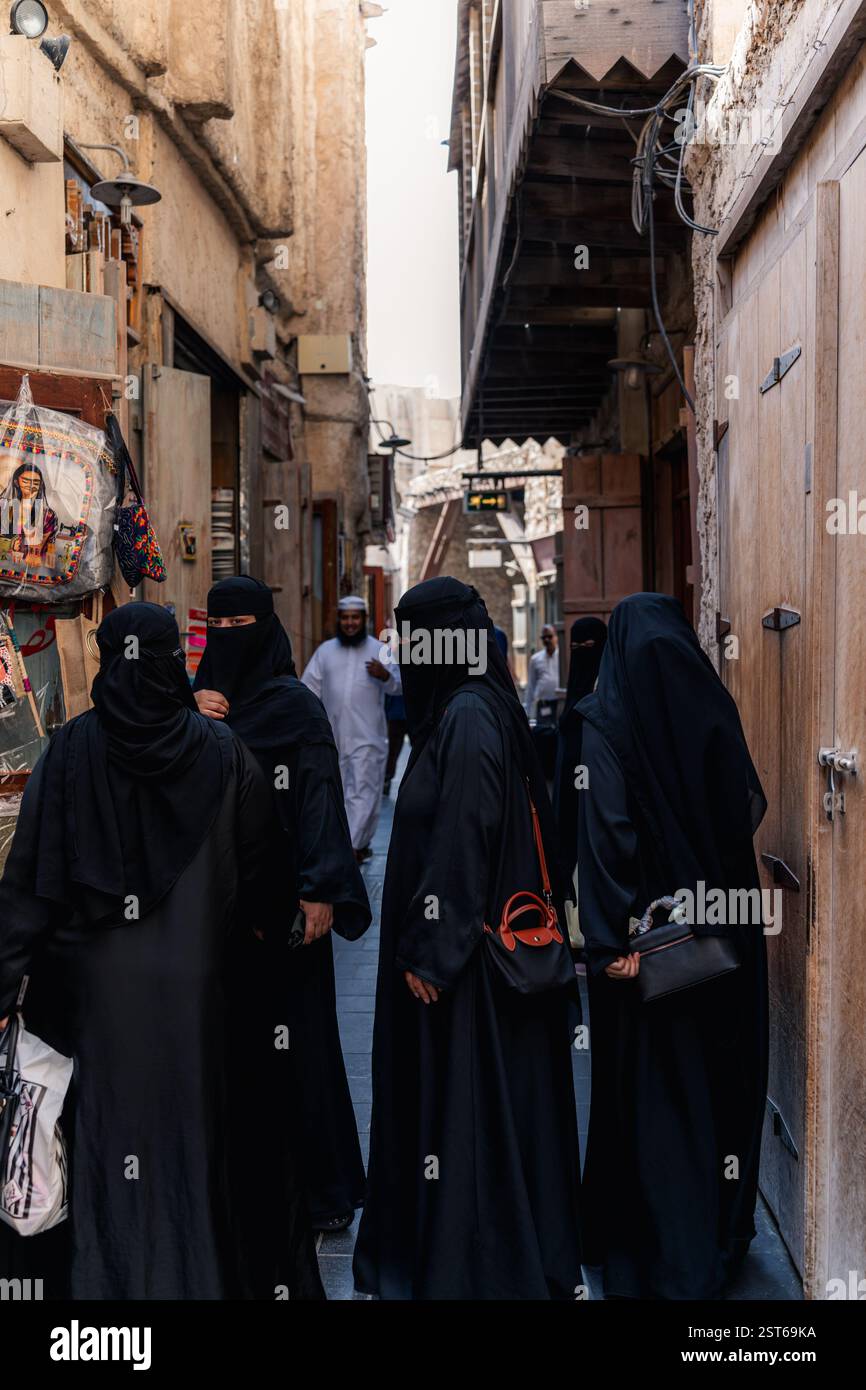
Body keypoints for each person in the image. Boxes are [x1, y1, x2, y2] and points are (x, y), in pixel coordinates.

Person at [0, 603, 324, 1300]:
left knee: (106, 1153)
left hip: (96, 1006)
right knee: (193, 1153)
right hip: (200, 1002)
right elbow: (270, 884)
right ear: (176, 661)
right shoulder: (223, 751)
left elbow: (26, 891)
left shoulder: (68, 752)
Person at [353, 577, 582, 1300]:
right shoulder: (466, 709)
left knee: (469, 1117)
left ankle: (474, 1265)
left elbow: (465, 836)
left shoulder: (471, 717)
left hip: (469, 975)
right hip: (470, 967)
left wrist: (434, 949)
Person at [575, 592, 769, 1300]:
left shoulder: (606, 720)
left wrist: (607, 941)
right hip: (722, 940)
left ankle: (659, 1251)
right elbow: (740, 808)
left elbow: (605, 838)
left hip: (647, 950)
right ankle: (716, 1236)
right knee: (716, 1087)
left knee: (653, 1099)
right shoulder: (706, 701)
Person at [194, 577, 371, 1234]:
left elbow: (321, 796)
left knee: (302, 1046)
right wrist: (190, 719)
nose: (230, 637)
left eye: (243, 624)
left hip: (288, 906)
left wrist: (322, 888)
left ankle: (323, 1189)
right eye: (220, 625)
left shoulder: (295, 707)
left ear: (266, 628)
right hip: (221, 910)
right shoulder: (197, 707)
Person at [301, 594, 401, 861]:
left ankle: (353, 847)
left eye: (355, 618)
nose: (350, 623)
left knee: (364, 791)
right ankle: (349, 843)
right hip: (333, 736)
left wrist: (385, 675)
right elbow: (308, 688)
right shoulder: (325, 651)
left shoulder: (379, 650)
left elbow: (400, 686)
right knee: (341, 791)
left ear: (363, 620)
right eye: (345, 618)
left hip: (368, 736)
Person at [553, 617, 608, 907]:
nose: (581, 652)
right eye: (576, 646)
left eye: (588, 646)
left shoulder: (607, 694)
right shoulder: (582, 693)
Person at [523, 623, 559, 718]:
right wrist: (528, 710)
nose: (547, 639)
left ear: (556, 637)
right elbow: (531, 685)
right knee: (543, 729)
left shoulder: (562, 657)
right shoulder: (535, 659)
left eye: (550, 636)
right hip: (543, 703)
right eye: (544, 637)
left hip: (559, 702)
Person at [383, 689, 408, 796]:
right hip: (396, 711)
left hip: (398, 711)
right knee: (393, 747)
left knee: (393, 747)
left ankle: (387, 777)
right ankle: (386, 777)